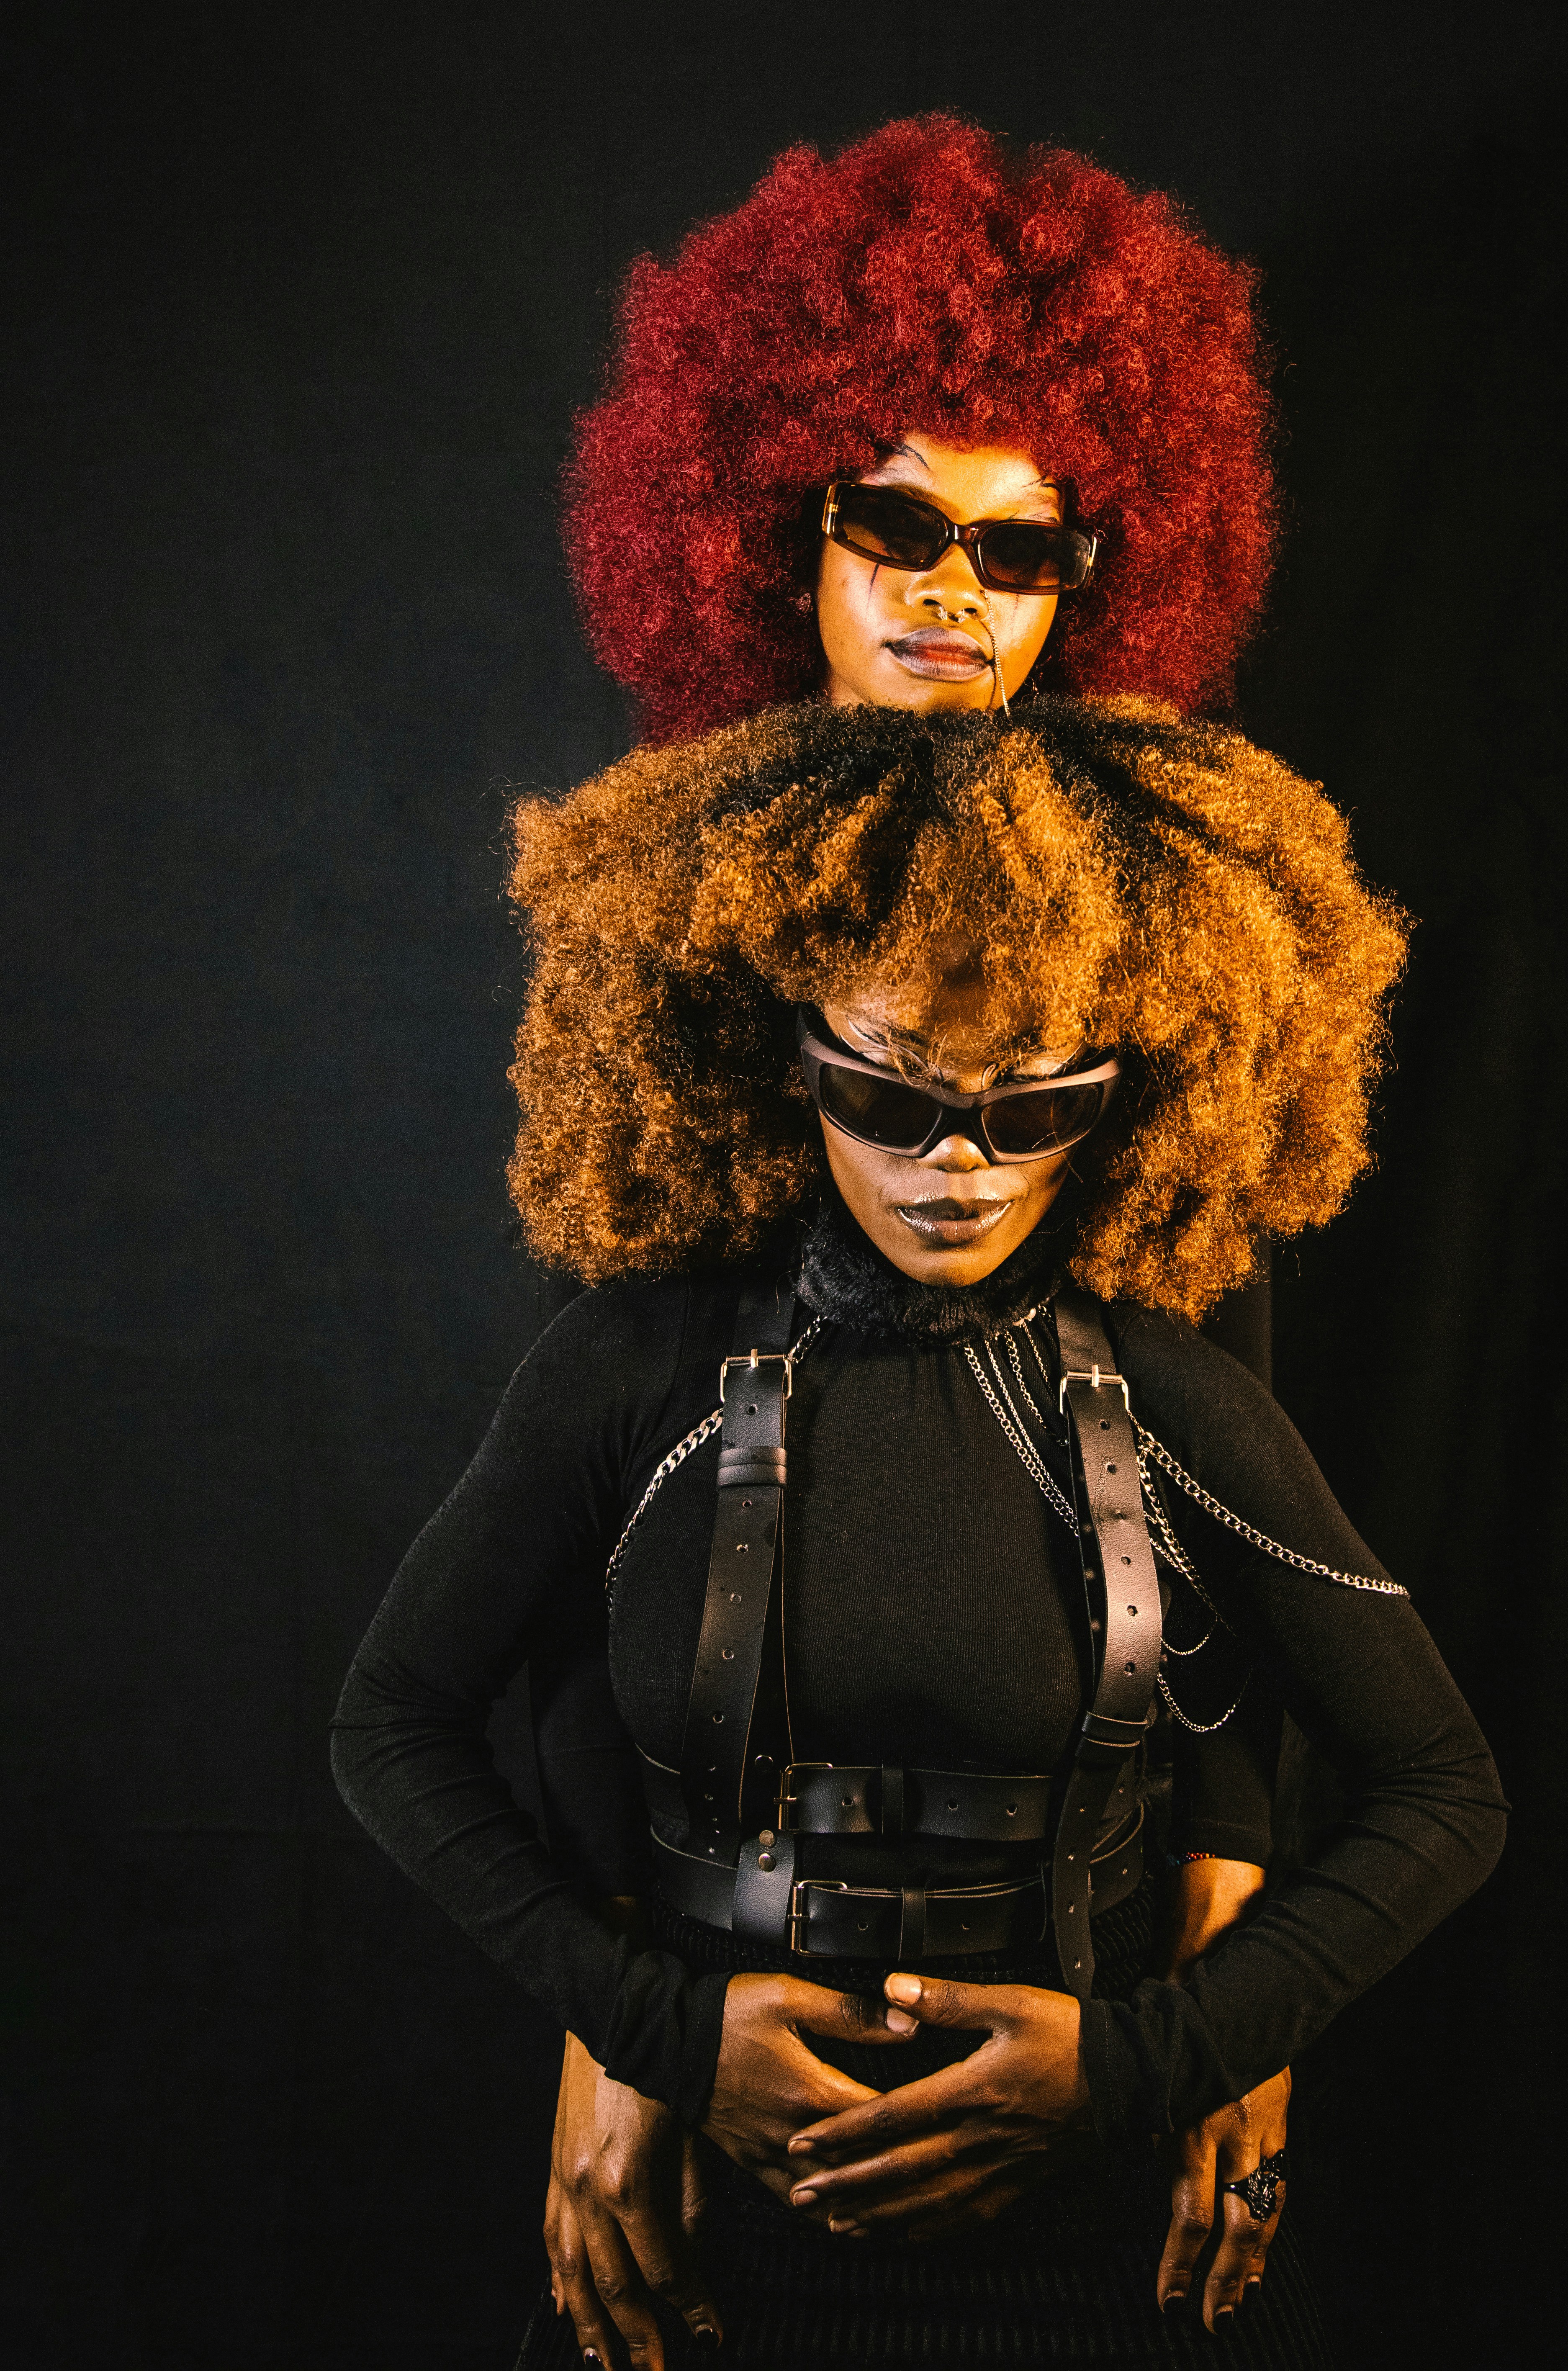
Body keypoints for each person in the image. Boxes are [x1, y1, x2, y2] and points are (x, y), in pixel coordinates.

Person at [331, 697, 1508, 2370]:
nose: (954, 1165)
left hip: (1092, 2260)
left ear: (1133, 1091)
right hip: (701, 2259)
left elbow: (1441, 1792)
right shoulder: (633, 1366)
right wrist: (660, 2035)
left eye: (1031, 1108)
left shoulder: (1172, 1395)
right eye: (886, 1098)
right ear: (775, 1067)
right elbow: (392, 1725)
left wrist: (1141, 2065)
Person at [532, 115, 1302, 2365]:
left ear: (1094, 581)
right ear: (785, 536)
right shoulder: (663, 936)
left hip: (1085, 1997)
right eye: (895, 522)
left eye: (1018, 544)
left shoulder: (1181, 934)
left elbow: (1240, 1548)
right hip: (717, 1969)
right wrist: (616, 2043)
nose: (953, 586)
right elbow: (602, 1558)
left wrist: (1233, 2030)